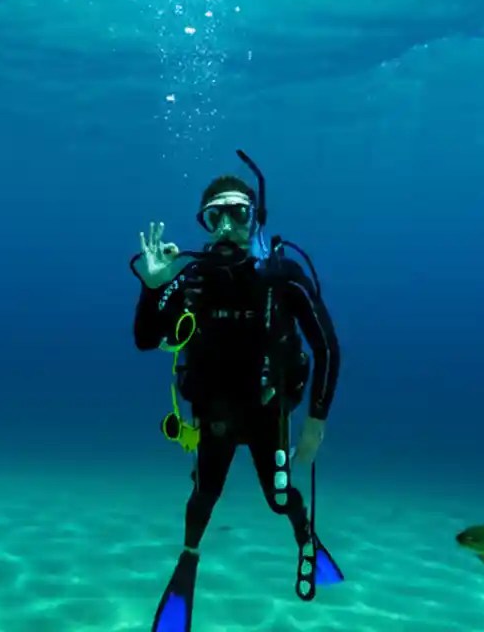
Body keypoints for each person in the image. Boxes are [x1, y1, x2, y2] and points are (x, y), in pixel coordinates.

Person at [130, 150, 344, 632]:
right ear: (204, 223)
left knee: (279, 496)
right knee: (205, 493)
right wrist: (152, 286)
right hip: (216, 414)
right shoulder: (190, 279)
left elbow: (328, 347)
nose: (227, 225)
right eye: (216, 215)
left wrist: (316, 422)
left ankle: (304, 533)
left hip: (272, 414)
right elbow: (145, 339)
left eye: (238, 213)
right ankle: (188, 559)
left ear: (256, 219)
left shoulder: (282, 279)